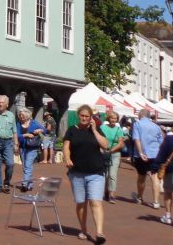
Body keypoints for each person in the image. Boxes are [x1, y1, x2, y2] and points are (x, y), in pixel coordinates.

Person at [64, 104, 110, 244]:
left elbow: (105, 145)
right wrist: (67, 158)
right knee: (81, 203)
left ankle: (99, 233)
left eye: (87, 116)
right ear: (78, 116)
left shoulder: (97, 130)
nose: (84, 118)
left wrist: (94, 130)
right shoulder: (72, 130)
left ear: (91, 118)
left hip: (96, 172)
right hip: (77, 172)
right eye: (82, 116)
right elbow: (66, 147)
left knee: (95, 202)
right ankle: (83, 229)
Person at [132, 107, 164, 208]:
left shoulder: (137, 124)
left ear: (140, 115)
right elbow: (161, 142)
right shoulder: (156, 126)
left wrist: (141, 152)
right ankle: (156, 202)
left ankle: (140, 197)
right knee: (155, 177)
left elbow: (137, 139)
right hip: (155, 154)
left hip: (141, 155)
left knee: (141, 177)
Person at [16, 107, 46, 190]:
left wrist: (40, 130)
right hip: (22, 147)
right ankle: (30, 184)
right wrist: (26, 135)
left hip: (33, 147)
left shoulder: (34, 123)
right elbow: (16, 135)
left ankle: (24, 184)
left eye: (22, 115)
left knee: (28, 165)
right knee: (25, 166)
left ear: (27, 115)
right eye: (20, 115)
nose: (21, 117)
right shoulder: (18, 124)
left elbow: (45, 130)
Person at [101, 111, 127, 203]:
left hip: (115, 154)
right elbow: (99, 139)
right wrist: (102, 149)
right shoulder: (102, 128)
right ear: (108, 118)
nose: (113, 120)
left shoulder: (118, 129)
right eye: (112, 118)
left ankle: (112, 194)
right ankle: (106, 191)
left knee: (112, 174)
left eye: (115, 118)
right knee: (105, 175)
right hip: (104, 153)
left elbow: (121, 143)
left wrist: (111, 150)